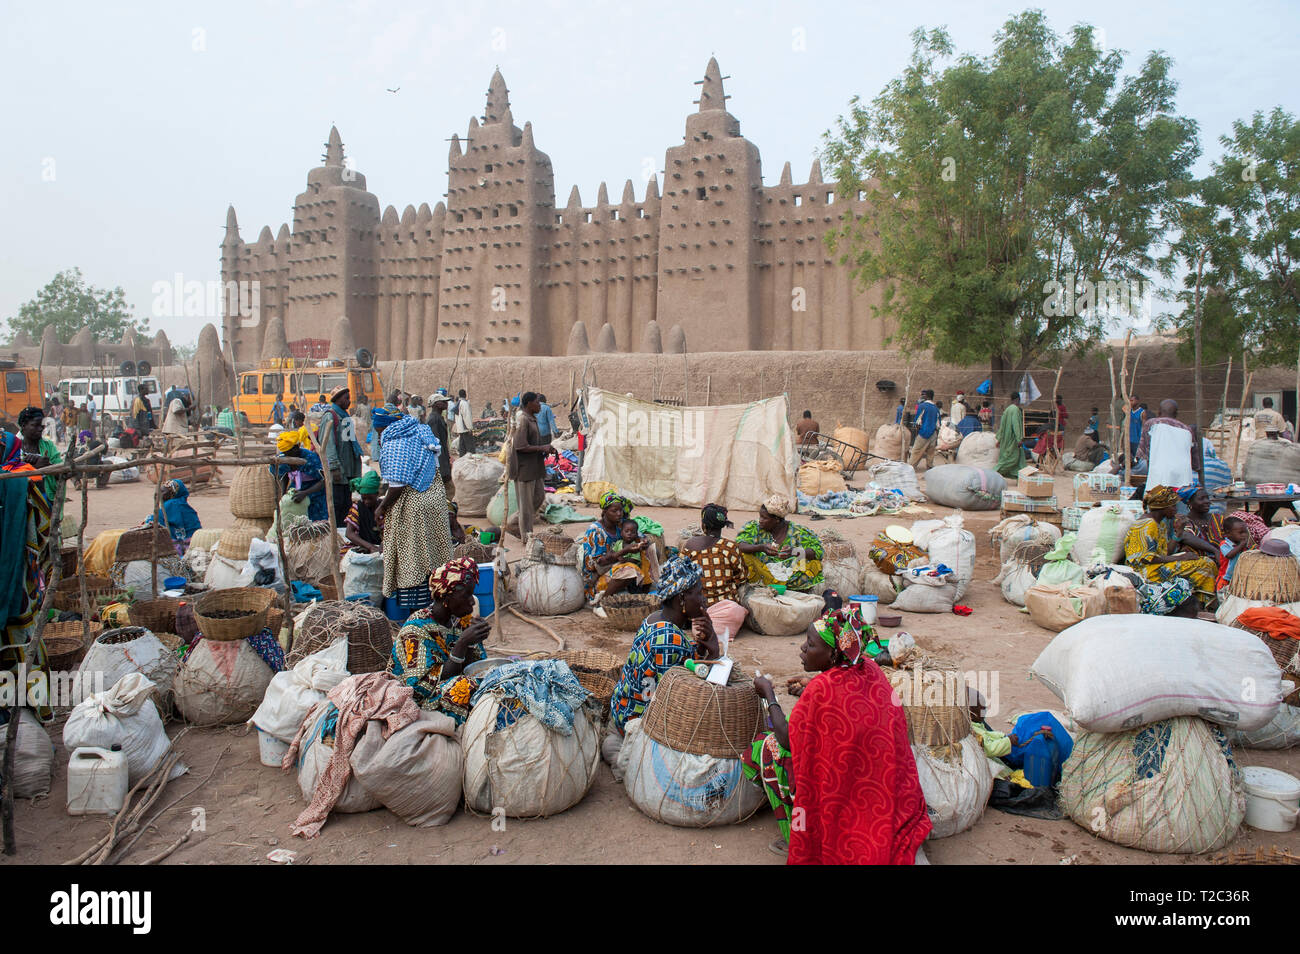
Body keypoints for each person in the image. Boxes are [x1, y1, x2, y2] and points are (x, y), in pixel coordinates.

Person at [744, 606, 932, 863]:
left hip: (842, 795)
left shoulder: (822, 690)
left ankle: (795, 830)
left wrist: (769, 695)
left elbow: (788, 739)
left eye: (810, 645)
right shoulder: (870, 670)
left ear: (833, 654)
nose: (802, 650)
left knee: (767, 746)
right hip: (885, 792)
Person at [608, 558, 720, 734]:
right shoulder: (668, 638)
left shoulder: (655, 618)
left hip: (623, 709)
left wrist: (701, 647)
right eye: (699, 593)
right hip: (638, 720)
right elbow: (679, 697)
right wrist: (714, 653)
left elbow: (680, 660)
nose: (703, 600)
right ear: (682, 597)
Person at [387, 558, 491, 727]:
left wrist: (473, 642)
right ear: (446, 598)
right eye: (466, 595)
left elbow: (476, 667)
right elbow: (420, 689)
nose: (472, 601)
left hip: (450, 685)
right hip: (419, 701)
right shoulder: (415, 630)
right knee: (465, 687)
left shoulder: (459, 620)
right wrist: (463, 643)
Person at [376, 407, 452, 609]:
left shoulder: (395, 443)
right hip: (434, 501)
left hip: (412, 506)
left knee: (413, 557)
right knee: (434, 552)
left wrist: (382, 507)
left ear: (383, 427)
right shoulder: (421, 432)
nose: (378, 435)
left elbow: (397, 485)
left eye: (378, 431)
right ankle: (438, 600)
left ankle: (418, 610)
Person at [1124, 485, 1218, 614]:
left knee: (1202, 561)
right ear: (1163, 507)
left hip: (1156, 566)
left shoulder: (1160, 523)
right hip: (1145, 571)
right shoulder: (1147, 525)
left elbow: (1166, 552)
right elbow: (1147, 558)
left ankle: (1193, 602)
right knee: (1205, 565)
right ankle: (1200, 606)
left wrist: (1178, 532)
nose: (1175, 510)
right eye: (1173, 506)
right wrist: (1180, 557)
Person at [679, 503, 749, 644]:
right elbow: (742, 577)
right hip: (727, 609)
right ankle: (721, 628)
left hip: (698, 608)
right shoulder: (730, 547)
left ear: (703, 525)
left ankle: (698, 624)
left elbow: (681, 576)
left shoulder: (689, 546)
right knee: (739, 602)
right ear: (723, 525)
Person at [580, 491, 656, 611]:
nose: (619, 514)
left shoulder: (620, 525)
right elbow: (594, 566)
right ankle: (602, 602)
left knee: (651, 552)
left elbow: (639, 535)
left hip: (618, 568)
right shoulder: (595, 531)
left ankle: (640, 590)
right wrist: (624, 551)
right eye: (614, 511)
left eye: (620, 510)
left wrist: (643, 541)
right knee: (631, 571)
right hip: (598, 578)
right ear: (604, 511)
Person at [736, 495, 824, 591]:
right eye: (760, 516)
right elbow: (740, 545)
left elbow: (818, 551)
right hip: (761, 574)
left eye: (764, 518)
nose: (760, 521)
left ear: (777, 520)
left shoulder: (798, 531)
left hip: (790, 576)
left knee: (814, 563)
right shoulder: (753, 527)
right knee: (744, 556)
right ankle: (776, 586)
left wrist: (794, 551)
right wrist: (761, 548)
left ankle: (793, 588)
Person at [509, 392, 553, 541]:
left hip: (534, 467)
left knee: (539, 497)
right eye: (537, 402)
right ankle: (527, 537)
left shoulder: (531, 418)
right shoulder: (523, 419)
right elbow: (520, 446)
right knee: (526, 506)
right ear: (529, 404)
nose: (539, 405)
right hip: (524, 469)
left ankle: (514, 524)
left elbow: (532, 443)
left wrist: (546, 448)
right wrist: (542, 448)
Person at [317, 386, 363, 527]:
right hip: (338, 470)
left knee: (346, 503)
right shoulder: (330, 416)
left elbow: (350, 442)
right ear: (338, 399)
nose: (349, 401)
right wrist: (335, 467)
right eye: (346, 398)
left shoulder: (345, 416)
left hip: (348, 468)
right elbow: (328, 444)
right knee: (337, 503)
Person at [148, 479, 201, 550]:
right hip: (195, 544)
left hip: (172, 545)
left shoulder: (170, 505)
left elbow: (154, 520)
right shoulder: (187, 508)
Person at [344, 470, 383, 553]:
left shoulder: (384, 508)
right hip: (362, 544)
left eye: (370, 498)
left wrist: (381, 547)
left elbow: (391, 533)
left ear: (377, 494)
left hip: (382, 546)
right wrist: (370, 547)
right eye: (364, 498)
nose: (366, 502)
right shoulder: (357, 507)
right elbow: (349, 533)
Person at [429, 395, 454, 502]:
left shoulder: (438, 418)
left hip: (442, 461)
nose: (446, 404)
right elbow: (436, 446)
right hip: (439, 463)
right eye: (443, 402)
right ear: (436, 404)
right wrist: (443, 468)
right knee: (448, 490)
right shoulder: (434, 420)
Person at [995, 392, 1026, 478]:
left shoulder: (1007, 409)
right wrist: (1019, 439)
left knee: (1019, 459)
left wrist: (1000, 439)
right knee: (1011, 459)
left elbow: (1002, 426)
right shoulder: (1015, 410)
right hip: (1012, 440)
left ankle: (1020, 478)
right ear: (1018, 399)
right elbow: (1016, 425)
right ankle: (995, 472)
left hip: (1006, 440)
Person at [908, 389, 940, 470]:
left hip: (923, 433)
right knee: (930, 453)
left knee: (916, 451)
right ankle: (929, 467)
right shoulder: (936, 408)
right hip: (933, 434)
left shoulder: (922, 406)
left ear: (926, 396)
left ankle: (911, 467)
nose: (922, 396)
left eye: (924, 395)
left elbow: (918, 422)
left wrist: (918, 431)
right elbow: (938, 424)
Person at [1217, 516, 1252, 588]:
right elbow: (1229, 555)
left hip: (1238, 578)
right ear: (1228, 533)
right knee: (1224, 597)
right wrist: (1242, 545)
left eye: (1245, 532)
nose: (1244, 535)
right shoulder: (1225, 544)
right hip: (1225, 578)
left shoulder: (1241, 544)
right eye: (1240, 533)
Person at [452, 388, 476, 456]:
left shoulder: (458, 403)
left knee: (462, 447)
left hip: (460, 429)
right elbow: (467, 417)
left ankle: (462, 460)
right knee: (470, 448)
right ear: (465, 395)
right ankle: (471, 461)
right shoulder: (464, 404)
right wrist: (470, 428)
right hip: (466, 429)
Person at [1128, 398, 1146, 463]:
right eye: (1130, 401)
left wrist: (1143, 438)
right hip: (1129, 438)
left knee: (1138, 458)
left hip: (1137, 439)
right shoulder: (1129, 411)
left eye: (1132, 400)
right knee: (1129, 457)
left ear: (1137, 401)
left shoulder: (1142, 412)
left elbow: (1144, 427)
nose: (1130, 402)